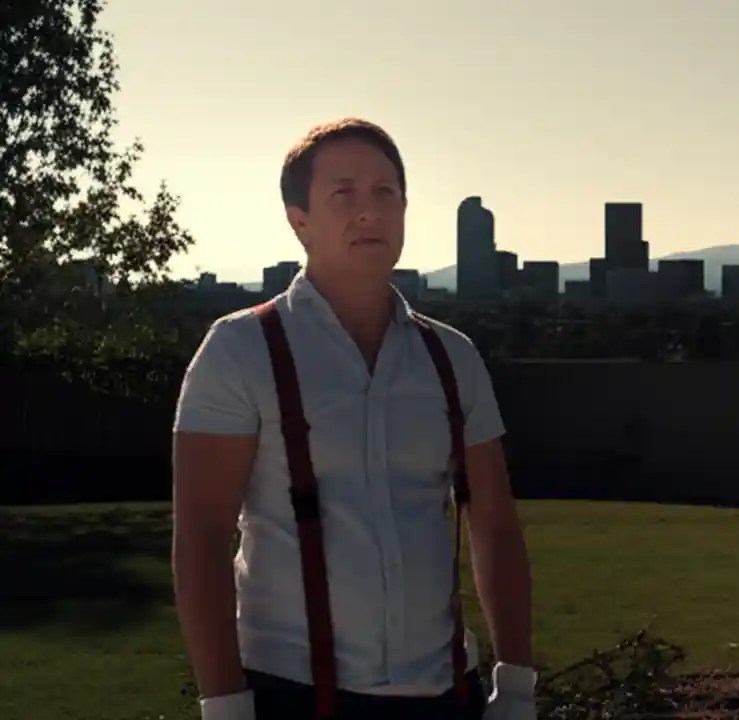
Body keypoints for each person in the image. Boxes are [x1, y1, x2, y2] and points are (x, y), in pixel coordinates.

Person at [171, 118, 536, 720]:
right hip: (290, 693)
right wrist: (225, 705)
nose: (369, 211)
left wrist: (516, 688)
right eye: (344, 193)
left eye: (385, 193)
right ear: (299, 220)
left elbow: (494, 523)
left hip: (447, 693)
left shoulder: (452, 359)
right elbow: (202, 537)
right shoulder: (240, 350)